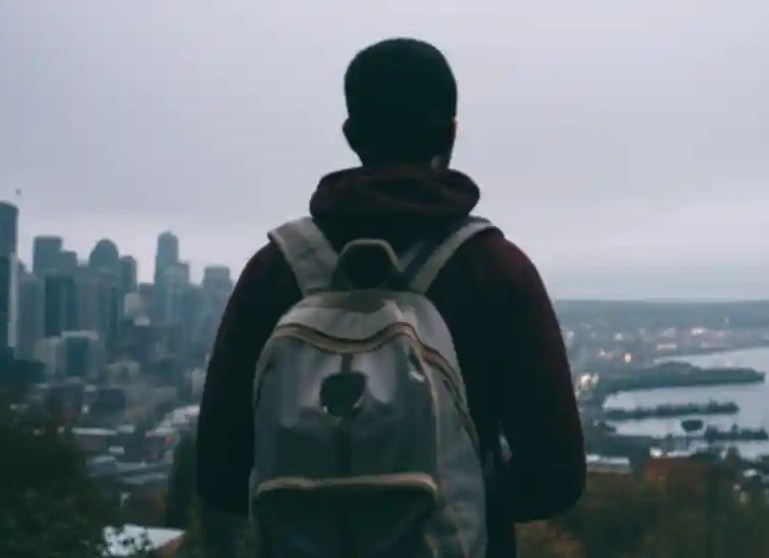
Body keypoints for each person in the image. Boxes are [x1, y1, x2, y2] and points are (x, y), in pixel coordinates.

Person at [195, 37, 586, 557]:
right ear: (450, 132)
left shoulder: (274, 272)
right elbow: (555, 477)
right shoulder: (495, 270)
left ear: (352, 134)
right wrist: (457, 496)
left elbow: (220, 477)